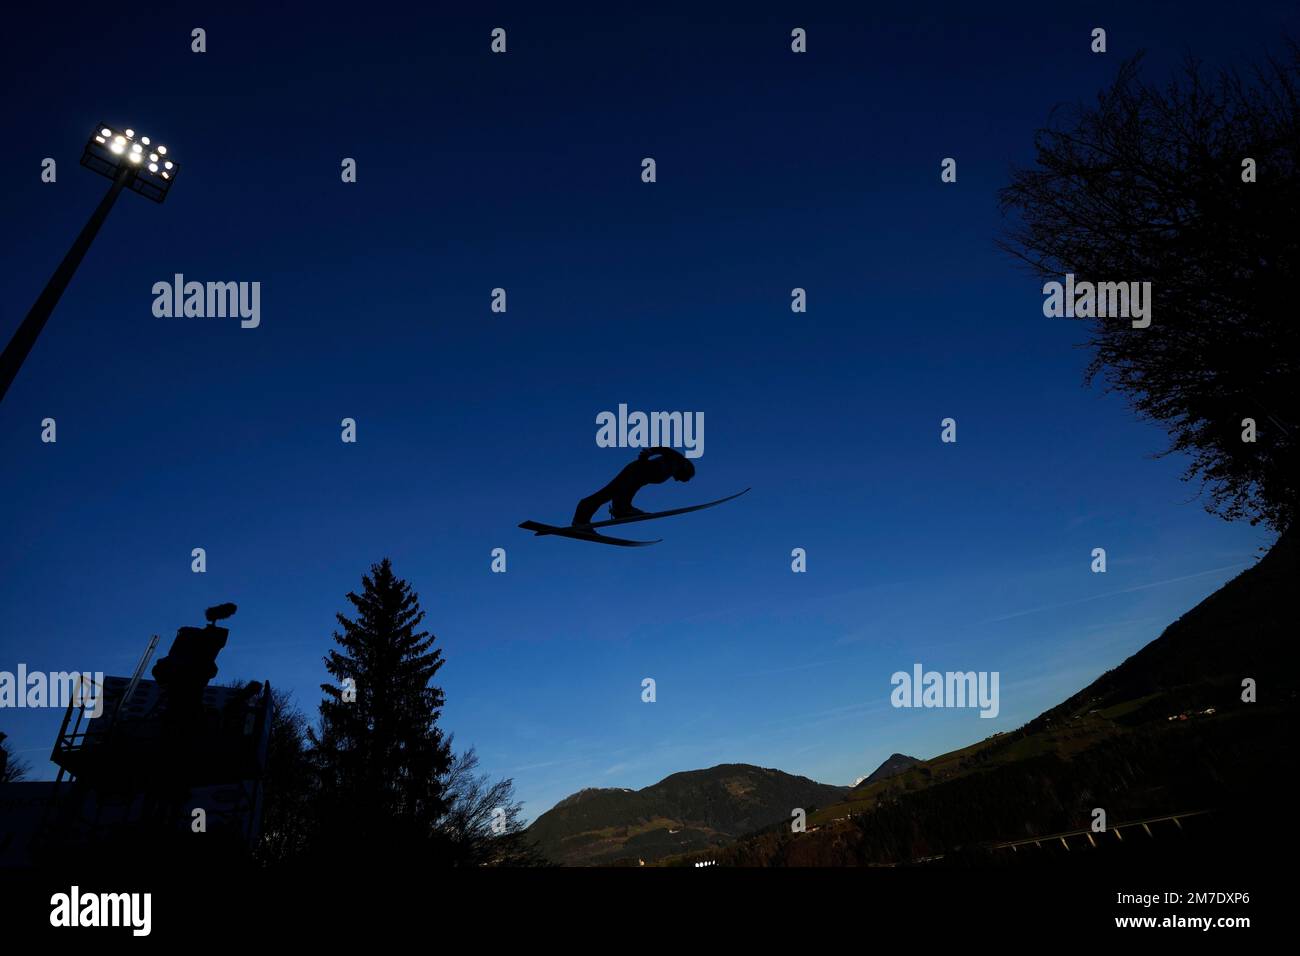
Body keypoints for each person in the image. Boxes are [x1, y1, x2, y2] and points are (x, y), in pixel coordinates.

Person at [572, 447, 695, 526]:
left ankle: (621, 509)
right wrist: (650, 452)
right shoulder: (678, 460)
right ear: (686, 469)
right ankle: (581, 519)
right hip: (634, 471)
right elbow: (666, 450)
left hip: (637, 476)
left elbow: (631, 490)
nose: (677, 480)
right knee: (607, 494)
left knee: (619, 493)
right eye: (682, 478)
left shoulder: (671, 467)